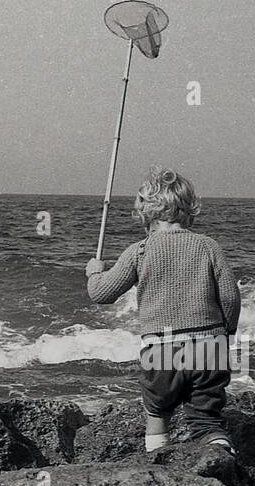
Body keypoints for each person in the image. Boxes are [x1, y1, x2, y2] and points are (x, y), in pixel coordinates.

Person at [86, 166, 241, 453]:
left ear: (144, 211)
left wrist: (94, 273)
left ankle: (158, 463)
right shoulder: (208, 246)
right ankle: (220, 451)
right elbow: (230, 297)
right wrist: (226, 332)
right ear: (189, 208)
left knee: (157, 413)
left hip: (161, 348)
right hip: (209, 346)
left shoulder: (140, 250)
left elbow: (101, 294)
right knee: (207, 420)